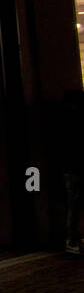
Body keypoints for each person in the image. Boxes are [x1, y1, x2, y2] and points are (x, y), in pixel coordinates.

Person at [61, 90, 84, 255]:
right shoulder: (75, 123)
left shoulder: (66, 122)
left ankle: (72, 239)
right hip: (75, 169)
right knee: (74, 205)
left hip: (71, 169)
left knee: (74, 205)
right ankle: (72, 239)